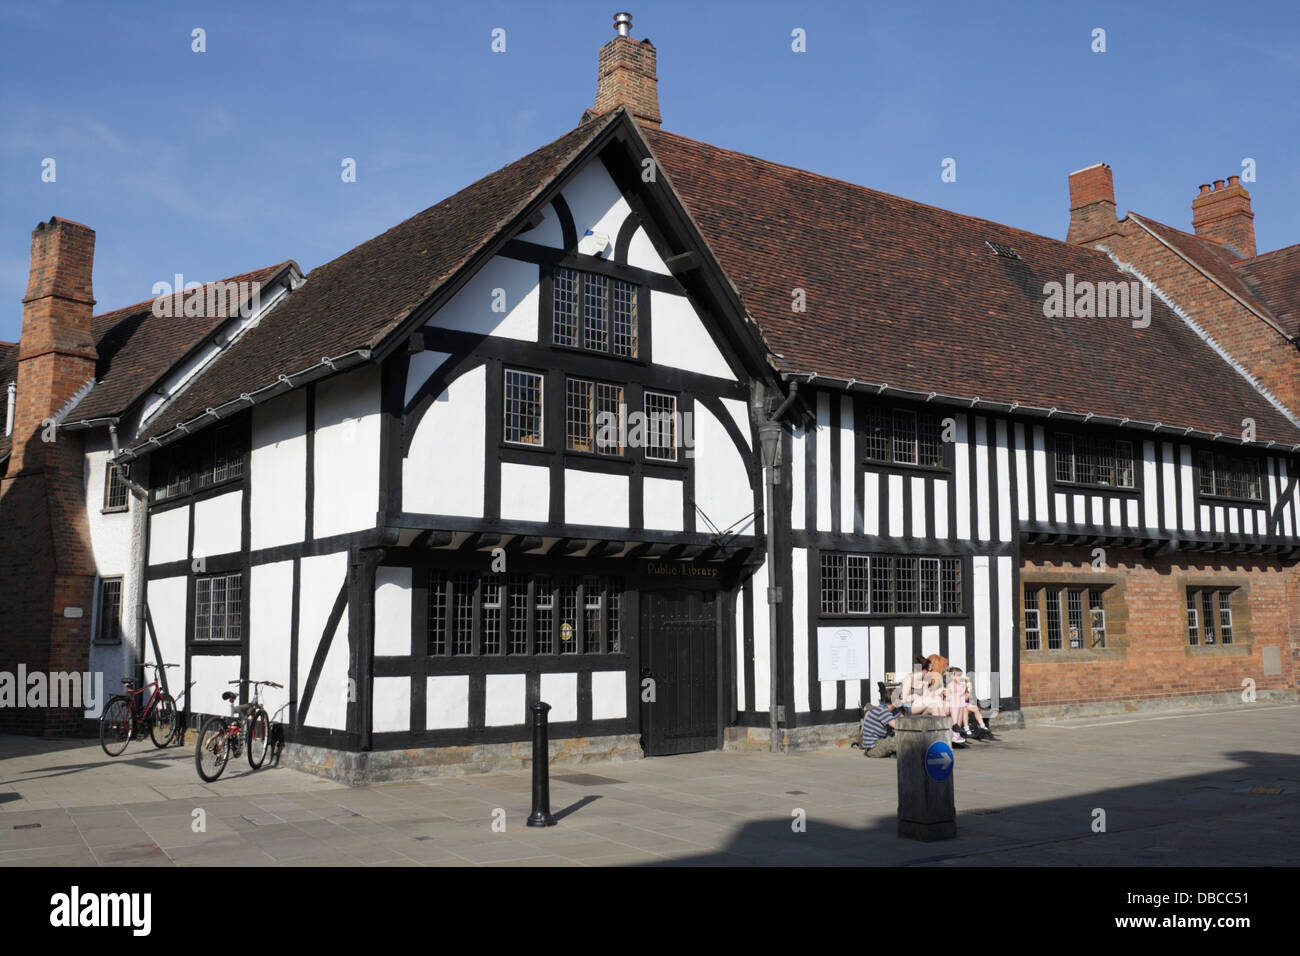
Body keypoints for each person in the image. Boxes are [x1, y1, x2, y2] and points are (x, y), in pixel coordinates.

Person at [950, 668, 995, 740]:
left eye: (960, 676)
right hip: (957, 704)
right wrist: (964, 688)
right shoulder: (952, 685)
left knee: (975, 708)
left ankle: (982, 725)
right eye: (958, 676)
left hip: (963, 703)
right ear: (952, 677)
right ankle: (966, 728)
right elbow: (956, 696)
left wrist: (969, 690)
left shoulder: (960, 685)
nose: (960, 677)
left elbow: (966, 698)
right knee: (964, 709)